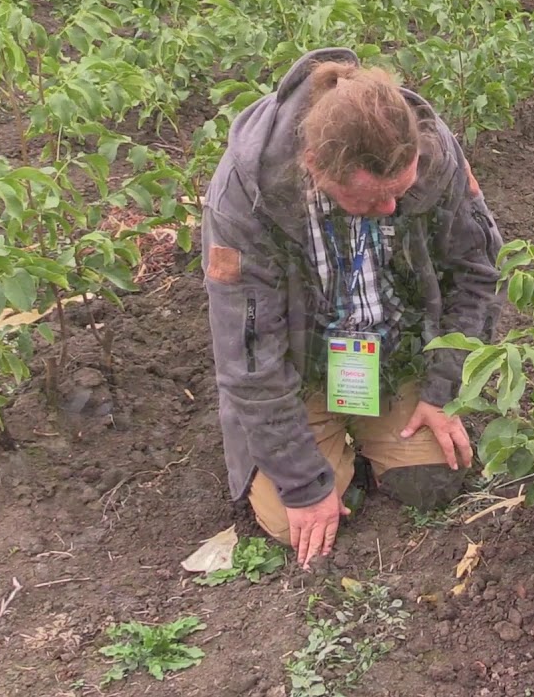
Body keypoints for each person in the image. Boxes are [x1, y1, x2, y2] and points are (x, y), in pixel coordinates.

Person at [201, 48, 504, 569]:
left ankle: (369, 440)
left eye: (400, 192)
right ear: (317, 167)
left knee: (434, 481)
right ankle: (327, 449)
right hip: (303, 372)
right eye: (369, 200)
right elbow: (249, 356)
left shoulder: (434, 152)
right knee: (287, 517)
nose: (390, 208)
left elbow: (476, 274)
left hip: (393, 351)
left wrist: (441, 389)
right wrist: (302, 483)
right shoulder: (246, 196)